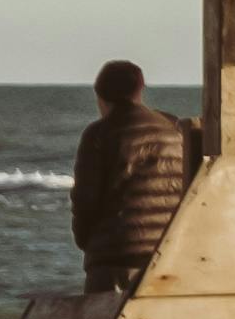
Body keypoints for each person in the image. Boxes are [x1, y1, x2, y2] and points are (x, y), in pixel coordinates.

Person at [70, 59, 194, 292]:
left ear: (101, 96)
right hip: (165, 255)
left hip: (114, 260)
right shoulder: (173, 130)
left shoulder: (99, 134)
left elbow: (85, 201)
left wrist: (88, 243)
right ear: (140, 90)